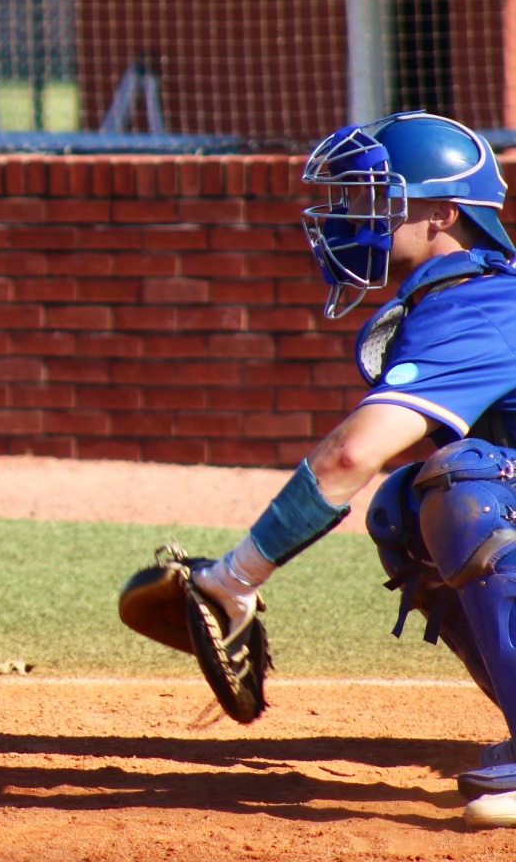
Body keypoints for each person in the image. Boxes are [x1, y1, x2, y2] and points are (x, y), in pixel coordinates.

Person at [181, 111, 516, 828]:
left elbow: (350, 454)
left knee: (465, 484)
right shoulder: (469, 295)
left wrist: (233, 579)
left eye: (373, 200)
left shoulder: (483, 305)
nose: (344, 218)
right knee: (402, 508)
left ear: (444, 215)